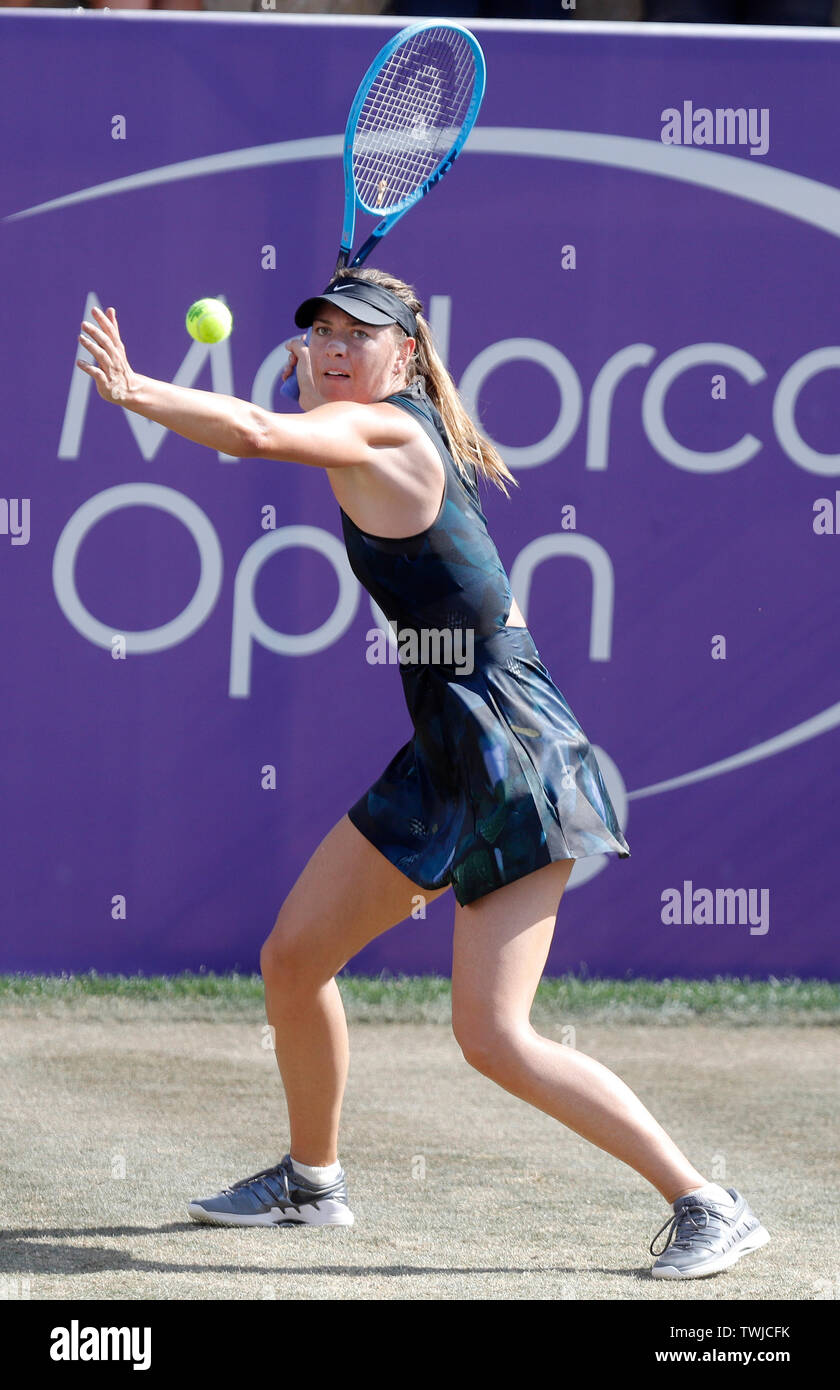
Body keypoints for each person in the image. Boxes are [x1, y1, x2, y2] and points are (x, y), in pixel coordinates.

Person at [75, 278, 770, 1278]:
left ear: (410, 356)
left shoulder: (393, 438)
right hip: (443, 753)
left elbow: (260, 438)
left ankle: (708, 1201)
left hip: (516, 753)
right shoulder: (355, 418)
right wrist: (314, 373)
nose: (335, 346)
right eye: (319, 331)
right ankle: (312, 1183)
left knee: (493, 1034)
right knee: (292, 960)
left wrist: (141, 390)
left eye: (361, 334)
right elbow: (291, 418)